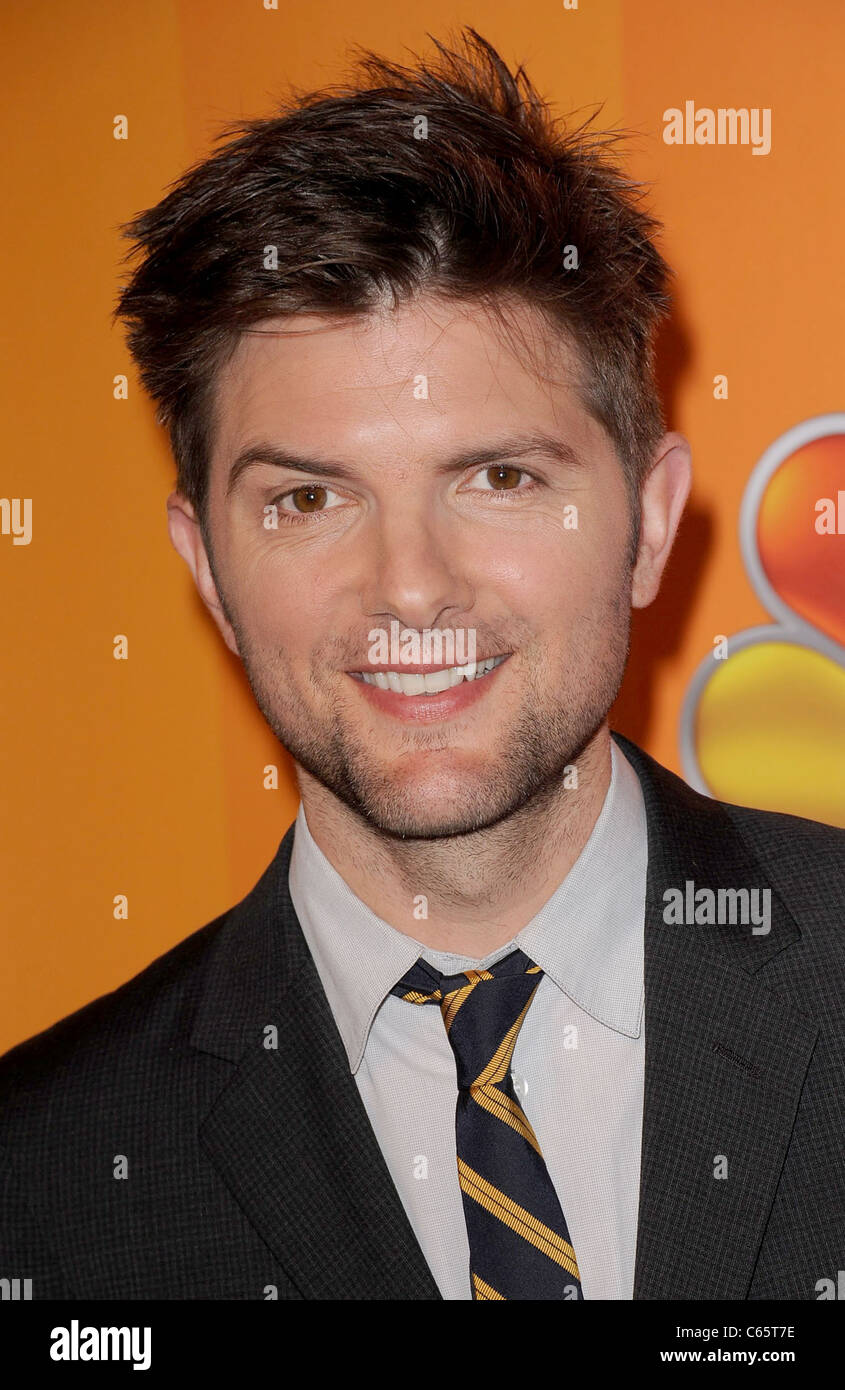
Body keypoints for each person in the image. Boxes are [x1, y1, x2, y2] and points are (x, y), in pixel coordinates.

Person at [1, 28, 842, 1302]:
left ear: (647, 524)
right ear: (205, 566)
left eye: (497, 477)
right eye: (306, 501)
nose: (408, 585)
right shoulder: (42, 1183)